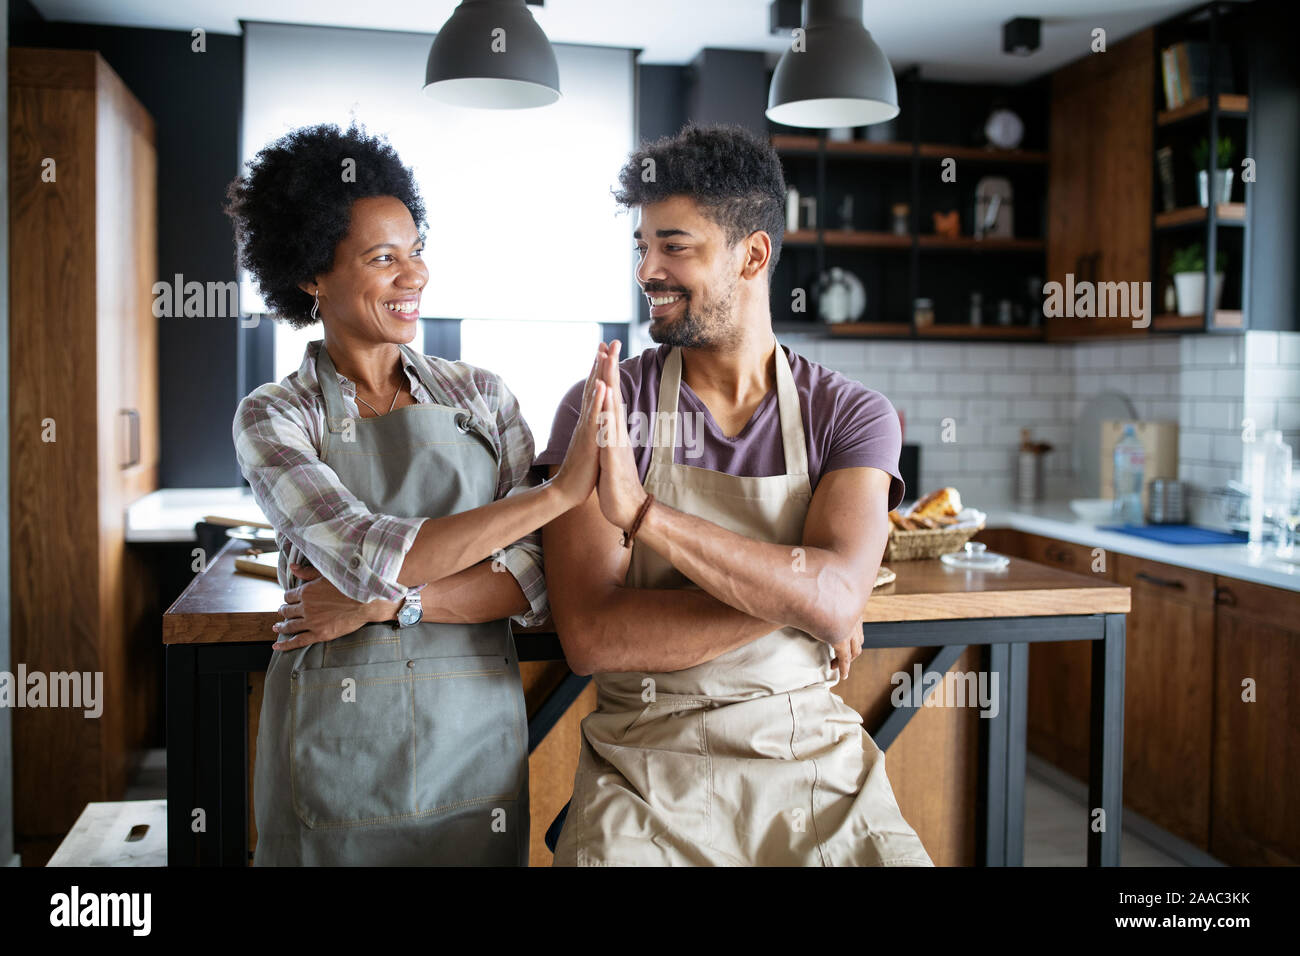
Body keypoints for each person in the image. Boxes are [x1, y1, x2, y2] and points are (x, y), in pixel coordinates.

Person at [535, 123, 934, 866]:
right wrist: (799, 597)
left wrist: (646, 516)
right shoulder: (604, 407)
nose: (647, 270)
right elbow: (593, 637)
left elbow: (839, 599)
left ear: (753, 255)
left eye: (674, 246)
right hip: (644, 766)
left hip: (812, 760)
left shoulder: (849, 414)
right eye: (641, 248)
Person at [225, 123, 607, 865]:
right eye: (382, 258)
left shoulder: (483, 396)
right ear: (312, 274)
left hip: (471, 749)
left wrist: (388, 606)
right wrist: (558, 494)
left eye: (416, 250)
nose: (415, 276)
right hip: (333, 757)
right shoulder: (275, 415)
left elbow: (535, 577)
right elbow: (369, 553)